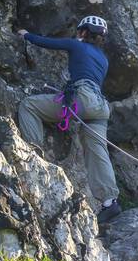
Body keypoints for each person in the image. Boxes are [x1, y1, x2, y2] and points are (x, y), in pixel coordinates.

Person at [16, 15, 122, 224]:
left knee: (29, 105)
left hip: (82, 99)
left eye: (79, 31)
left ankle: (34, 156)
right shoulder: (103, 59)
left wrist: (25, 34)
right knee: (97, 149)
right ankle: (110, 202)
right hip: (100, 107)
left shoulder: (76, 44)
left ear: (83, 32)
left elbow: (46, 42)